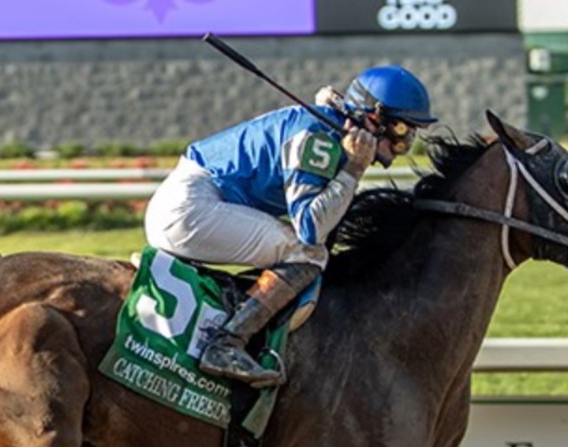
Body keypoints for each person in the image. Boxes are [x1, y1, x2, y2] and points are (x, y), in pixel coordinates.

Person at [144, 65, 437, 387]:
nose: (404, 144)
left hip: (199, 201)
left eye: (410, 134)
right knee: (307, 253)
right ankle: (226, 344)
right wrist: (353, 169)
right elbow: (310, 229)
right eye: (400, 131)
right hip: (188, 209)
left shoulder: (331, 128)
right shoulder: (318, 137)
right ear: (373, 118)